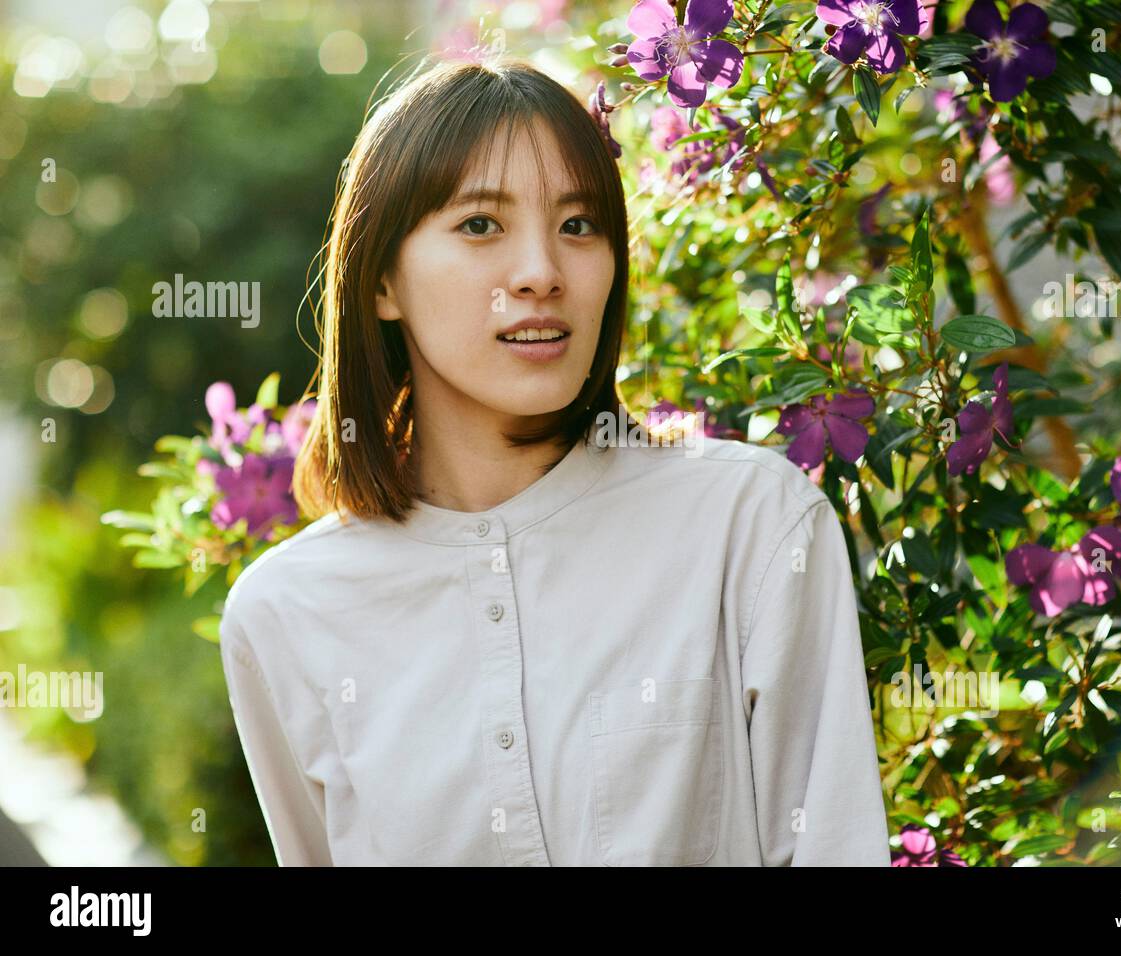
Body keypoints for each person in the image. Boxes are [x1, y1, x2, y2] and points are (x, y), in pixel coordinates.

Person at [217, 56, 891, 866]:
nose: (541, 273)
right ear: (382, 279)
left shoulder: (751, 529)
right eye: (480, 225)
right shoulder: (286, 613)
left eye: (578, 225)